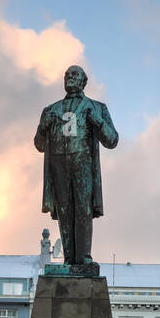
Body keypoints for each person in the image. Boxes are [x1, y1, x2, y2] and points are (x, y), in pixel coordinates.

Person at [33, 65, 118, 267]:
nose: (70, 77)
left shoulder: (97, 107)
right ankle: (69, 259)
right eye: (67, 75)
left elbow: (112, 140)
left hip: (83, 161)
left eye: (75, 75)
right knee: (64, 211)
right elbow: (39, 144)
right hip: (58, 163)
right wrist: (43, 127)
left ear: (83, 81)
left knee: (83, 209)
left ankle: (84, 258)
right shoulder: (51, 110)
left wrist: (97, 121)